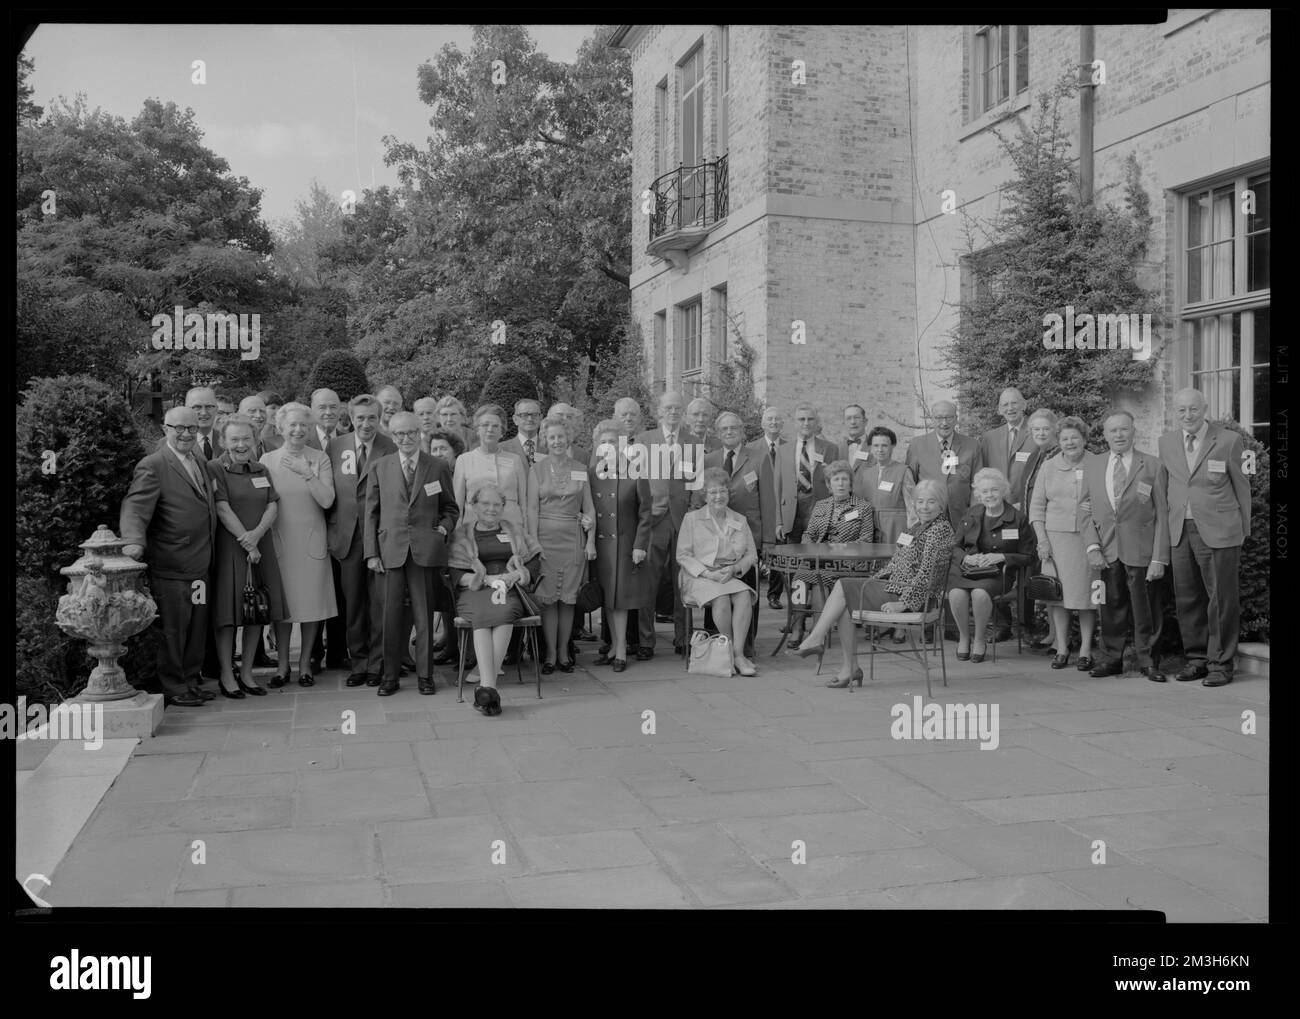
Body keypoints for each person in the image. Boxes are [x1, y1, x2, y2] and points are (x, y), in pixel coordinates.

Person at [793, 480, 956, 688]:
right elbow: (895, 563)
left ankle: (818, 639)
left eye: (931, 502)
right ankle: (849, 667)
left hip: (911, 597)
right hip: (893, 588)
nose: (924, 506)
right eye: (920, 501)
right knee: (844, 605)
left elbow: (929, 575)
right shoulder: (917, 527)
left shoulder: (939, 530)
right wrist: (872, 580)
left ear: (941, 504)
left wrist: (904, 603)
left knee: (843, 586)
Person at [119, 406, 219, 707]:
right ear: (166, 429)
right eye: (179, 428)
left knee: (196, 626)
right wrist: (133, 543)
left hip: (201, 565)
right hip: (173, 565)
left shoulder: (198, 460)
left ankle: (190, 679)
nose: (186, 433)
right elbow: (135, 507)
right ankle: (174, 687)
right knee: (174, 630)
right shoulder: (154, 465)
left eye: (191, 428)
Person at [1157, 388, 1251, 687]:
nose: (1187, 415)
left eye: (1193, 409)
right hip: (1180, 529)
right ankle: (1196, 659)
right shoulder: (1166, 442)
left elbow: (1242, 488)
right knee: (1187, 598)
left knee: (1220, 599)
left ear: (1205, 408)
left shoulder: (1228, 440)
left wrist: (1243, 531)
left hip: (1219, 530)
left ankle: (1221, 664)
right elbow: (1166, 488)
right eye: (1181, 410)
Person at [364, 410, 460, 696]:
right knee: (390, 617)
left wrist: (443, 528)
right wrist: (372, 553)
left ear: (420, 433)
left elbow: (451, 508)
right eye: (399, 434)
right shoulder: (380, 466)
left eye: (411, 432)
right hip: (390, 550)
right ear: (392, 436)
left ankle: (425, 676)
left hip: (425, 551)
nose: (405, 438)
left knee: (424, 615)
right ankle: (389, 676)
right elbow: (370, 513)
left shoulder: (437, 466)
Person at [1079, 410, 1170, 682]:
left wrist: (1159, 558)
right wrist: (1092, 547)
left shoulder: (1152, 465)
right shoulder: (1094, 465)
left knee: (1147, 608)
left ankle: (1148, 660)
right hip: (1106, 550)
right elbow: (1083, 510)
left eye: (1123, 429)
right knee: (1109, 606)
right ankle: (1112, 658)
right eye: (1113, 431)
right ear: (1104, 435)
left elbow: (1163, 514)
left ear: (1133, 431)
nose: (1118, 435)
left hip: (1142, 551)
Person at [206, 415, 287, 698]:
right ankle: (227, 676)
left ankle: (248, 673)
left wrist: (257, 536)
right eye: (234, 439)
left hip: (259, 548)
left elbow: (273, 505)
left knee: (258, 611)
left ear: (255, 441)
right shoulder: (215, 468)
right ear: (223, 442)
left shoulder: (261, 469)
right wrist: (247, 541)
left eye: (246, 439)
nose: (241, 445)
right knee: (229, 614)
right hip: (232, 549)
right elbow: (222, 508)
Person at [260, 402, 337, 687]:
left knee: (311, 606)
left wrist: (307, 472)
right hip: (279, 543)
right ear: (280, 428)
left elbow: (327, 500)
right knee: (283, 609)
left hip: (311, 542)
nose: (298, 429)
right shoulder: (267, 460)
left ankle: (305, 664)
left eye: (303, 425)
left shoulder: (320, 458)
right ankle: (282, 666)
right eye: (292, 424)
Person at [448, 484, 543, 715]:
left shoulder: (514, 529)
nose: (491, 509)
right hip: (476, 587)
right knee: (481, 614)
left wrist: (516, 574)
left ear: (503, 507)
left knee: (505, 613)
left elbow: (534, 560)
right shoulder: (462, 533)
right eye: (485, 504)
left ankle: (486, 690)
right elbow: (455, 572)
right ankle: (489, 691)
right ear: (473, 506)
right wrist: (487, 579)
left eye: (497, 504)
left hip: (508, 586)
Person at [326, 394, 397, 688]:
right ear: (351, 419)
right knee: (353, 604)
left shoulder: (390, 447)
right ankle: (358, 661)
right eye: (360, 418)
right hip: (347, 538)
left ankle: (377, 664)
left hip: (380, 537)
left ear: (379, 419)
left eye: (371, 418)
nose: (366, 424)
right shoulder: (336, 446)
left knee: (379, 604)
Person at [1029, 415, 1099, 671]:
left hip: (1088, 539)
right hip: (1055, 540)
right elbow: (1036, 508)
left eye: (1075, 437)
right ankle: (1061, 647)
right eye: (1065, 438)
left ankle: (1085, 649)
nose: (1070, 442)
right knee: (1057, 596)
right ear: (1058, 441)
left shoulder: (1097, 463)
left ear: (1084, 439)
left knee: (1087, 597)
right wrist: (1042, 541)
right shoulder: (1048, 467)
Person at [527, 418, 597, 674]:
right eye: (552, 437)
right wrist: (533, 542)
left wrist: (590, 541)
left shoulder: (580, 468)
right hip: (545, 539)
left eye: (561, 437)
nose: (557, 441)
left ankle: (565, 652)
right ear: (545, 439)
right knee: (548, 601)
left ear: (568, 439)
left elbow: (589, 508)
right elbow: (532, 508)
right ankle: (550, 654)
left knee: (567, 600)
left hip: (572, 539)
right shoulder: (536, 469)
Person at [947, 467, 1035, 663]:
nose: (990, 495)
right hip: (970, 569)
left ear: (1003, 491)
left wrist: (1002, 556)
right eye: (984, 491)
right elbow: (955, 546)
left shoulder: (1018, 518)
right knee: (956, 594)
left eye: (994, 490)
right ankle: (964, 637)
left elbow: (1028, 556)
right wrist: (965, 558)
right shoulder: (972, 513)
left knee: (979, 594)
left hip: (998, 574)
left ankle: (979, 640)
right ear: (978, 494)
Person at [677, 467, 760, 675]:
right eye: (713, 492)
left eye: (722, 491)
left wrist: (734, 568)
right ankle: (728, 653)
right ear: (704, 495)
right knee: (721, 598)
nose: (718, 496)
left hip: (727, 574)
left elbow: (751, 555)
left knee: (743, 594)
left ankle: (738, 654)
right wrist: (707, 573)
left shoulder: (739, 519)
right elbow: (683, 555)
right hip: (700, 576)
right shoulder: (692, 519)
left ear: (728, 493)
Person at [635, 390, 699, 659]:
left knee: (682, 583)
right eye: (668, 408)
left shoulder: (692, 442)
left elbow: (697, 484)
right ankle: (646, 641)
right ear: (658, 411)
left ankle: (683, 638)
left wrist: (693, 516)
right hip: (653, 520)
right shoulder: (643, 440)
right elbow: (634, 483)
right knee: (647, 584)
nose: (673, 412)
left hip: (682, 521)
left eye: (677, 408)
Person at [695, 412, 764, 657]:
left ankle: (746, 645)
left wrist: (766, 541)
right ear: (717, 432)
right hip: (714, 541)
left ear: (742, 430)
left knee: (747, 591)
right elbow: (700, 497)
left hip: (748, 535)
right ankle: (716, 642)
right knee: (716, 589)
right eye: (724, 429)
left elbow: (767, 498)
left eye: (734, 427)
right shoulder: (708, 459)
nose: (729, 432)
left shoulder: (758, 458)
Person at [589, 419, 653, 672]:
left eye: (612, 442)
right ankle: (614, 646)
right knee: (608, 599)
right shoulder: (593, 474)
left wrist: (640, 545)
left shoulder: (634, 471)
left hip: (625, 546)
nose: (607, 446)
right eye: (603, 442)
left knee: (621, 600)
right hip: (600, 546)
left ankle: (622, 649)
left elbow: (646, 514)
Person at [777, 404, 840, 645]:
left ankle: (819, 624)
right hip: (793, 514)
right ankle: (797, 624)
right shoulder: (783, 451)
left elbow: (835, 483)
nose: (805, 423)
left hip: (821, 513)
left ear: (817, 422)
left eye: (810, 419)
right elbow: (777, 486)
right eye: (801, 419)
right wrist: (778, 521)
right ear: (794, 422)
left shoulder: (830, 449)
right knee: (796, 574)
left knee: (820, 570)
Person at [788, 459, 873, 637]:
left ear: (850, 483)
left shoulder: (862, 507)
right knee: (798, 580)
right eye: (836, 480)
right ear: (829, 485)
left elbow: (865, 541)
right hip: (817, 560)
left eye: (844, 479)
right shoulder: (821, 505)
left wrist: (838, 549)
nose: (840, 484)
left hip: (845, 564)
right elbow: (808, 534)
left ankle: (818, 632)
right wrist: (810, 550)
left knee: (820, 584)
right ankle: (797, 626)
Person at [307, 387, 349, 671]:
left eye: (333, 407)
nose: (328, 412)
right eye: (322, 407)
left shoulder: (347, 443)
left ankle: (338, 650)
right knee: (312, 591)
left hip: (342, 531)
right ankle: (311, 653)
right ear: (311, 409)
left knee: (340, 592)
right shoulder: (300, 439)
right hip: (308, 528)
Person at [426, 427, 469, 668]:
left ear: (455, 451)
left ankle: (460, 648)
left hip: (462, 541)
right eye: (434, 449)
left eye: (443, 448)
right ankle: (450, 643)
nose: (439, 453)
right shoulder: (430, 474)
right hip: (440, 541)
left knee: (457, 597)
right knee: (444, 597)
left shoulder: (461, 472)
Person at [905, 400, 983, 528]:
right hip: (927, 517)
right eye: (939, 418)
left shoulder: (972, 445)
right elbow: (910, 485)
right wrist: (915, 515)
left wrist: (974, 515)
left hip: (961, 517)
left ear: (956, 419)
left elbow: (978, 485)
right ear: (932, 419)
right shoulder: (917, 445)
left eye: (949, 417)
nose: (944, 423)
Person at [1020, 408, 1060, 649]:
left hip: (1051, 528)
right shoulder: (1036, 454)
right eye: (1036, 429)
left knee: (1055, 581)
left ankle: (1058, 637)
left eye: (1045, 428)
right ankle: (1053, 634)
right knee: (1047, 582)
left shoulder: (1056, 455)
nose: (1041, 433)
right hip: (1034, 529)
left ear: (1054, 429)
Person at [454, 404, 528, 533]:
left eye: (495, 426)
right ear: (477, 430)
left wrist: (526, 534)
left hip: (511, 529)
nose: (490, 429)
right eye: (485, 425)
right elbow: (458, 506)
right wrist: (458, 537)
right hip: (474, 529)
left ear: (502, 431)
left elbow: (524, 503)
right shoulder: (464, 460)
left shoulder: (515, 460)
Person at [749, 406, 788, 611]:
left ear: (782, 424)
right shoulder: (751, 448)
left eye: (777, 419)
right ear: (763, 424)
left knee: (778, 553)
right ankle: (752, 594)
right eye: (769, 419)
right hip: (759, 506)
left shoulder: (790, 448)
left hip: (782, 507)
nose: (773, 422)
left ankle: (774, 594)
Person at [501, 398, 545, 470]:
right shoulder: (502, 449)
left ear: (541, 418)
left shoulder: (550, 447)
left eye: (534, 415)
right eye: (524, 415)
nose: (530, 419)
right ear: (515, 419)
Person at [186, 387, 220, 460]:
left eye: (209, 406)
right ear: (187, 410)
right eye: (197, 407)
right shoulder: (171, 442)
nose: (204, 413)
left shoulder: (227, 439)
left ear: (216, 409)